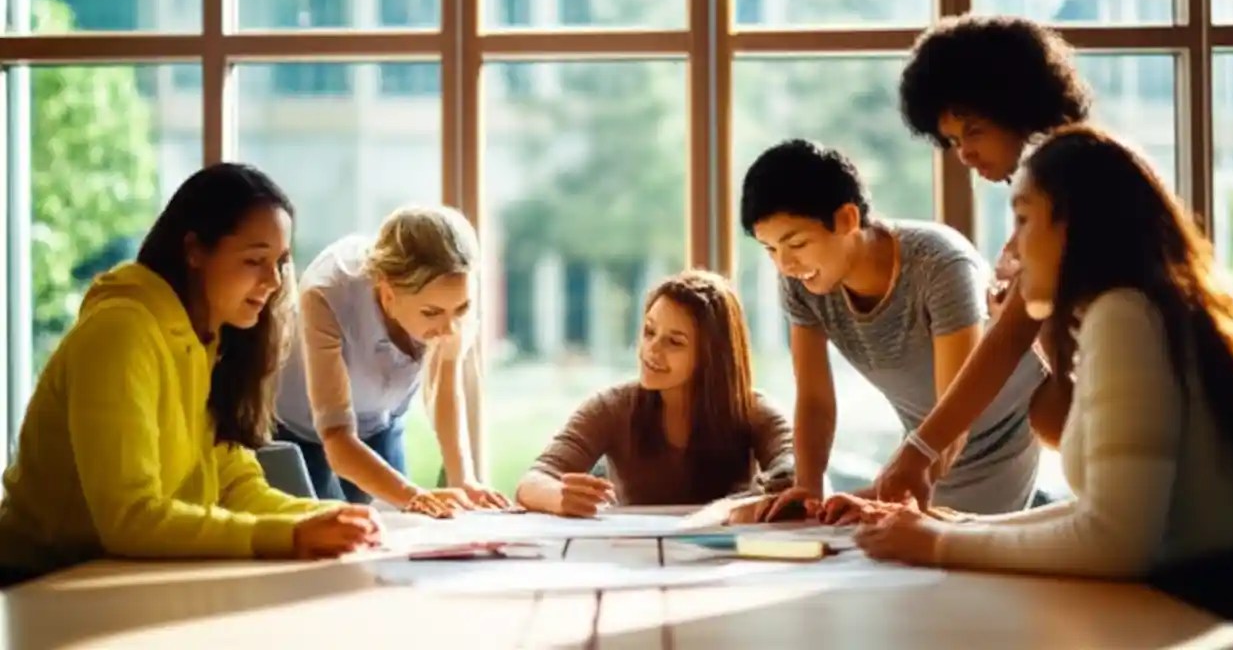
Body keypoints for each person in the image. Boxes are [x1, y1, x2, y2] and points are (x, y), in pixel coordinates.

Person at [854, 125, 1233, 640]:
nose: (1011, 245)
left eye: (1024, 218)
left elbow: (1115, 540)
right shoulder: (1142, 305)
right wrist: (953, 528)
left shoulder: (1124, 315)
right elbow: (1101, 511)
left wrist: (937, 544)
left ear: (1076, 225)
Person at [0, 164, 381, 586]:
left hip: (118, 580)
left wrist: (335, 518)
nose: (273, 281)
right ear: (194, 250)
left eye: (281, 263)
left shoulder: (209, 342)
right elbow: (129, 519)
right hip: (37, 585)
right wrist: (288, 536)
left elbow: (237, 489)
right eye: (255, 260)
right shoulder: (121, 334)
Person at [740, 139, 1046, 520]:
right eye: (770, 249)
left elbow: (955, 415)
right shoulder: (802, 283)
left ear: (848, 219)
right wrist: (809, 487)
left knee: (960, 556)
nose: (784, 264)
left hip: (993, 437)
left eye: (797, 243)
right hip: (920, 444)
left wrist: (884, 499)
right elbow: (815, 399)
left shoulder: (939, 264)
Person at [871, 13, 1093, 509]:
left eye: (974, 131)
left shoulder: (1069, 183)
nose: (964, 154)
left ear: (1021, 109)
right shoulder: (1066, 174)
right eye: (951, 141)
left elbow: (1010, 338)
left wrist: (920, 450)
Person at [274, 206, 507, 516]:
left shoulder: (451, 298)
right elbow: (338, 440)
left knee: (399, 528)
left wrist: (464, 480)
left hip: (381, 419)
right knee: (332, 529)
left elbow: (444, 388)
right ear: (387, 296)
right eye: (431, 313)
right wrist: (414, 495)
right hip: (300, 427)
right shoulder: (327, 293)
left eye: (462, 309)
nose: (450, 328)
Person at [515, 270, 795, 517]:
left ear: (713, 356)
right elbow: (532, 482)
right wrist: (557, 496)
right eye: (649, 332)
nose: (652, 350)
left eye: (674, 342)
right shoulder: (612, 407)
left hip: (728, 563)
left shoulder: (754, 410)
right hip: (633, 563)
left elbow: (798, 472)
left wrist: (765, 493)